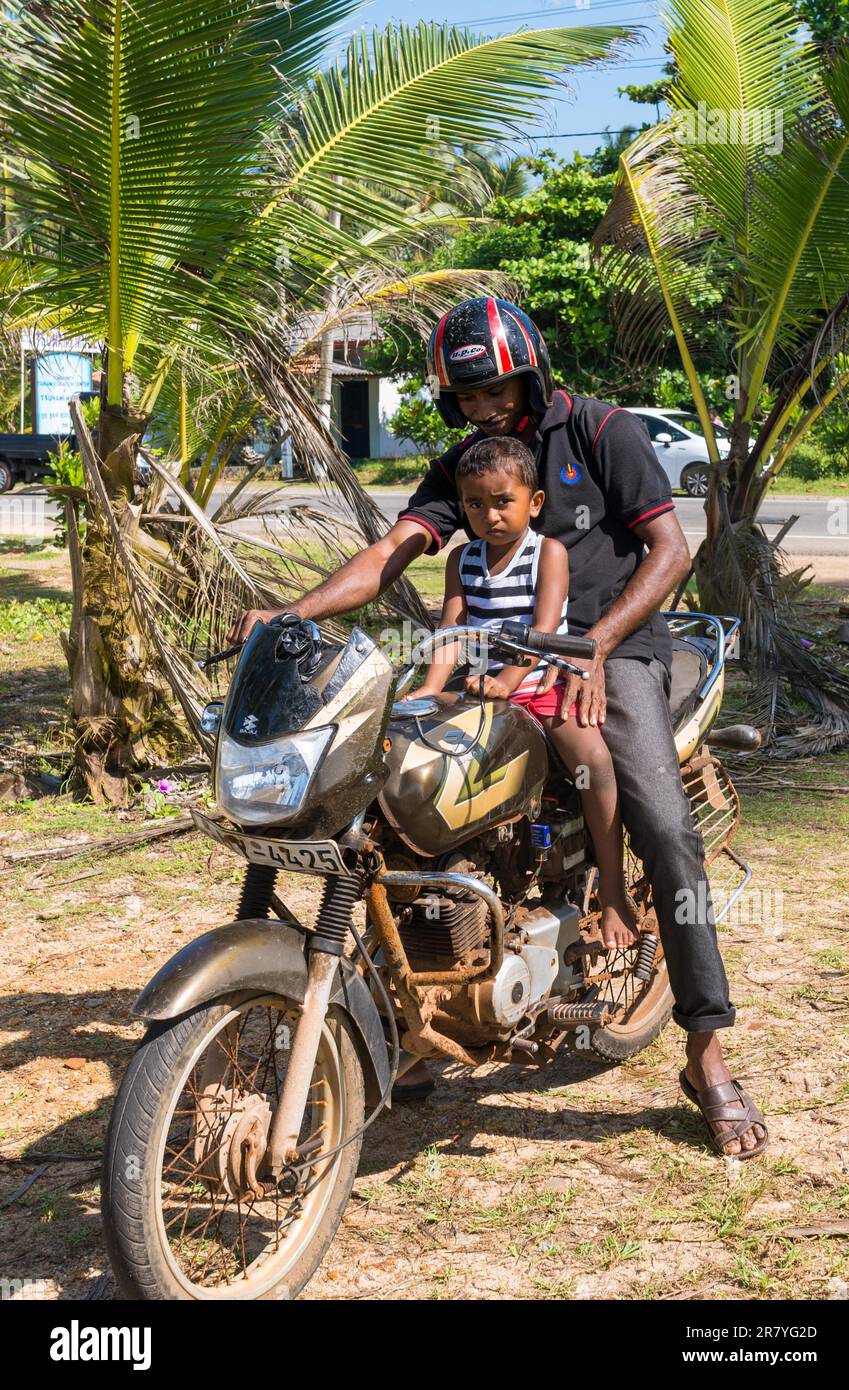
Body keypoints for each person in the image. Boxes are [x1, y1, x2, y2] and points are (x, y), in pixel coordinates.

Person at [229, 296, 768, 1160]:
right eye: (466, 396)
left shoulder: (604, 432)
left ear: (530, 373)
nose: (483, 407)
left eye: (495, 389)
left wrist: (590, 645)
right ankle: (419, 1021)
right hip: (496, 661)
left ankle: (707, 1054)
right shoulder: (465, 466)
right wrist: (286, 613)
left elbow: (671, 552)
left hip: (612, 650)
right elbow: (387, 556)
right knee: (393, 798)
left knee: (664, 827)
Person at [413, 433, 637, 951]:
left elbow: (541, 630)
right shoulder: (461, 561)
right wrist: (428, 689)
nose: (489, 515)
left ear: (534, 503)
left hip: (539, 684)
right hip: (483, 690)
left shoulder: (548, 554)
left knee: (593, 762)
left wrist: (507, 681)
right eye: (474, 504)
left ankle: (613, 890)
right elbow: (450, 633)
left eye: (502, 501)